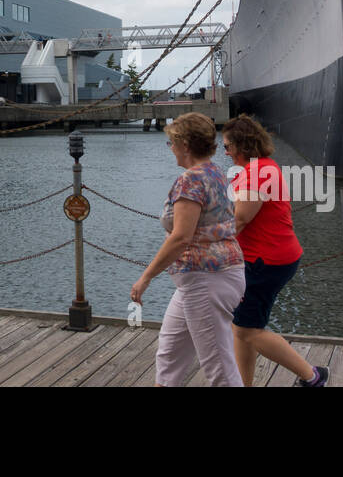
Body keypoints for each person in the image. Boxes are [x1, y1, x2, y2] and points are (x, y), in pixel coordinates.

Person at [131, 112, 246, 387]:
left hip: (206, 280)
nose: (171, 149)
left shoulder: (191, 180)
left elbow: (181, 236)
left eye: (171, 143)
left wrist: (145, 277)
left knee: (219, 368)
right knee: (170, 355)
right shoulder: (216, 173)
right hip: (208, 278)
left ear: (184, 144)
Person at [223, 114, 328, 387]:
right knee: (241, 328)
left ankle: (312, 377)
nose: (225, 152)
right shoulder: (264, 167)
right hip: (272, 256)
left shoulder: (257, 173)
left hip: (264, 261)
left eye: (227, 146)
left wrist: (208, 246)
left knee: (248, 330)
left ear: (241, 145)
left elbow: (241, 218)